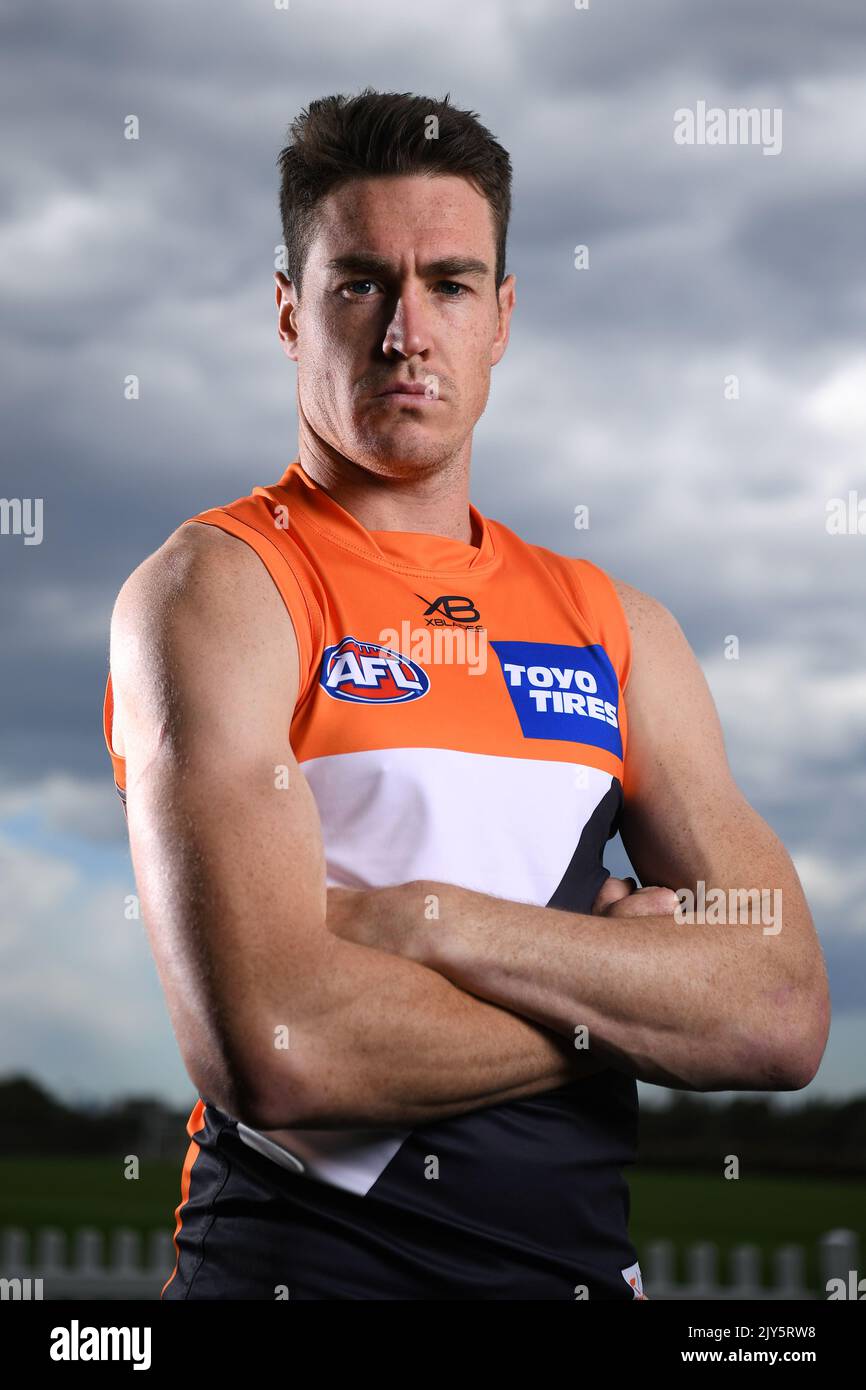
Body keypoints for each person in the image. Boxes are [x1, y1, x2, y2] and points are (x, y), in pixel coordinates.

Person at [102, 88, 829, 1301]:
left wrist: (434, 920)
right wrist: (625, 989)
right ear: (289, 313)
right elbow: (282, 1047)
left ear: (501, 318)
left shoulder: (617, 626)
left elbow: (780, 1005)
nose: (404, 332)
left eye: (447, 283)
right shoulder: (220, 592)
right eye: (357, 284)